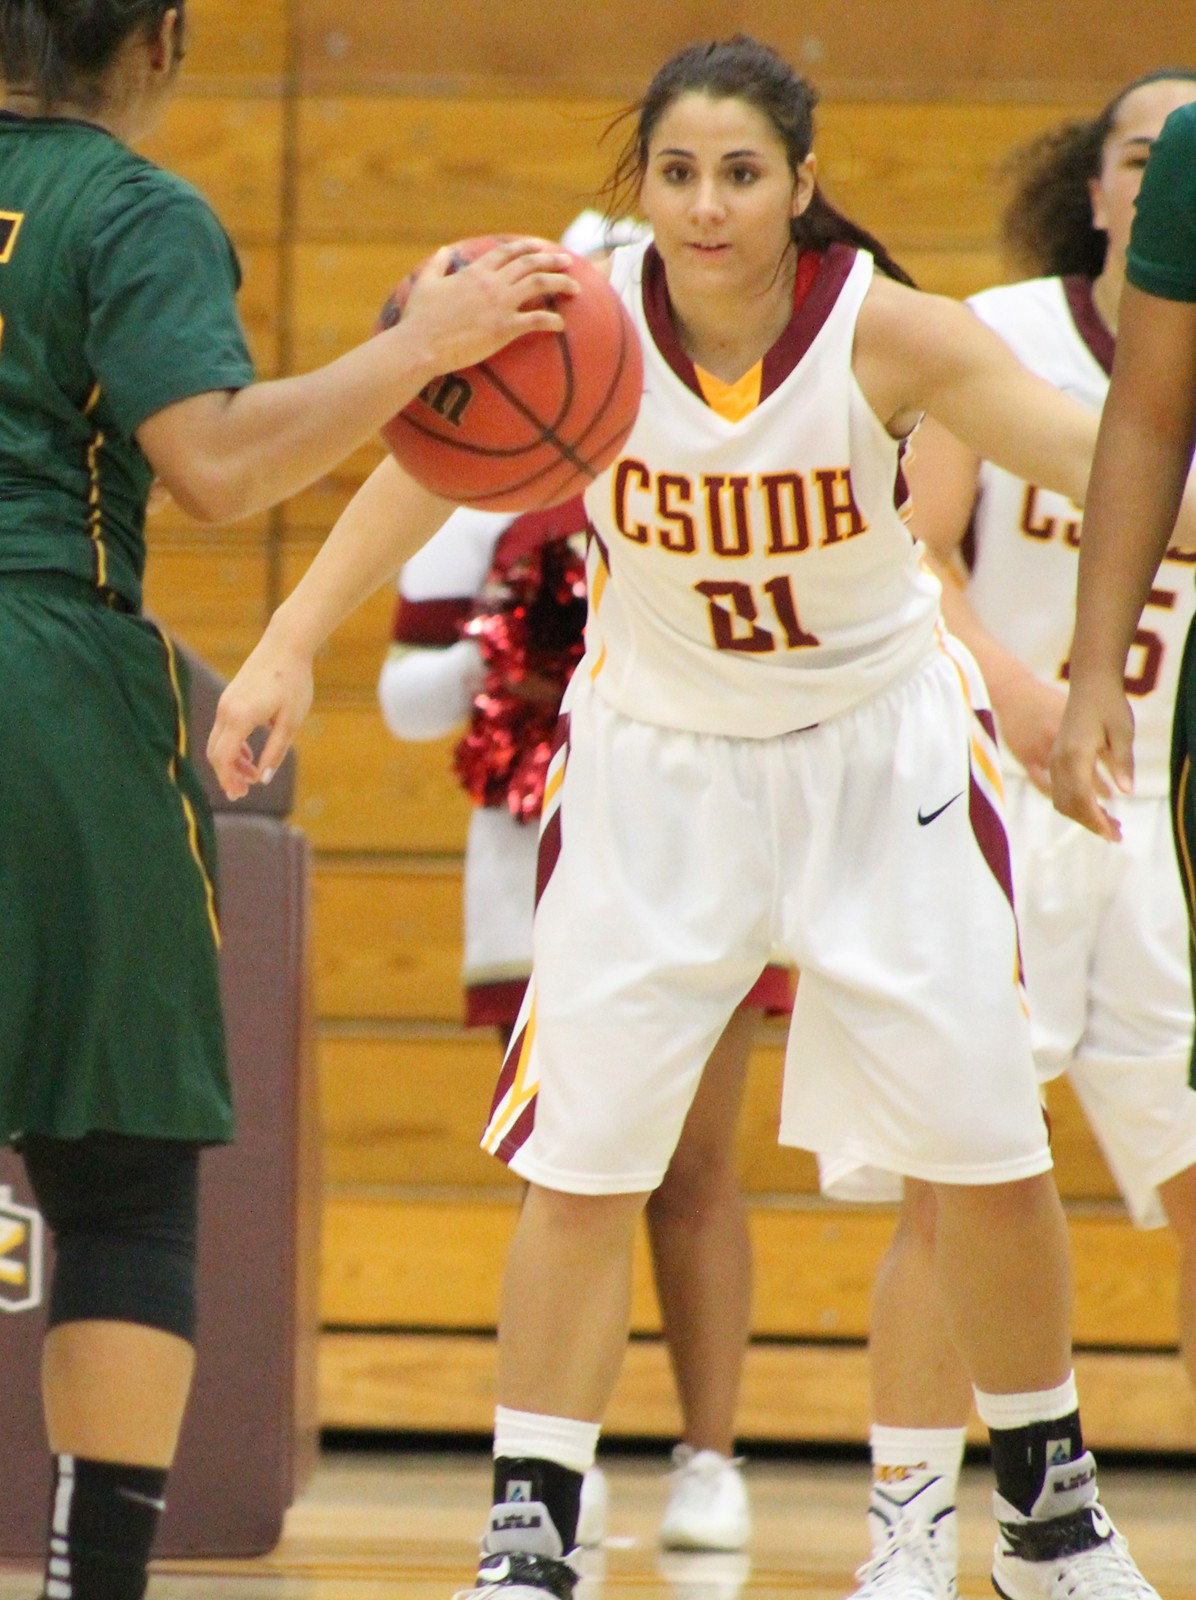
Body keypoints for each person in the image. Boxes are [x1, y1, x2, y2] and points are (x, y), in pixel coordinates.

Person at [207, 34, 1164, 1600]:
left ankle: (1050, 1516)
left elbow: (1103, 449)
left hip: (881, 759)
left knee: (989, 1149)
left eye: (739, 174)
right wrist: (286, 642)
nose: (707, 206)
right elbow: (423, 471)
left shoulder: (886, 332)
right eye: (676, 173)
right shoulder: (569, 324)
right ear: (636, 186)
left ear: (802, 183)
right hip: (661, 764)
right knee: (582, 1162)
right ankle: (531, 1529)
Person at [0, 4, 577, 1597]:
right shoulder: (127, 211)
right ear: (167, 40)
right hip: (44, 687)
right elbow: (218, 464)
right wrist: (423, 348)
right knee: (114, 1170)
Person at [815, 71, 1196, 1600]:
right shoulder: (1008, 335)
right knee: (956, 1172)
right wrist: (1032, 698)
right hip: (1001, 787)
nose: (1159, 175)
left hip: (1168, 806)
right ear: (1095, 188)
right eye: (1134, 152)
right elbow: (915, 551)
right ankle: (909, 1529)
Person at [379, 484, 794, 1551]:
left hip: (703, 845)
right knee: (566, 1174)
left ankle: (710, 1459)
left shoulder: (682, 467)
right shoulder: (458, 500)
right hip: (534, 867)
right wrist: (505, 645)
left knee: (695, 1167)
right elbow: (401, 700)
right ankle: (565, 1463)